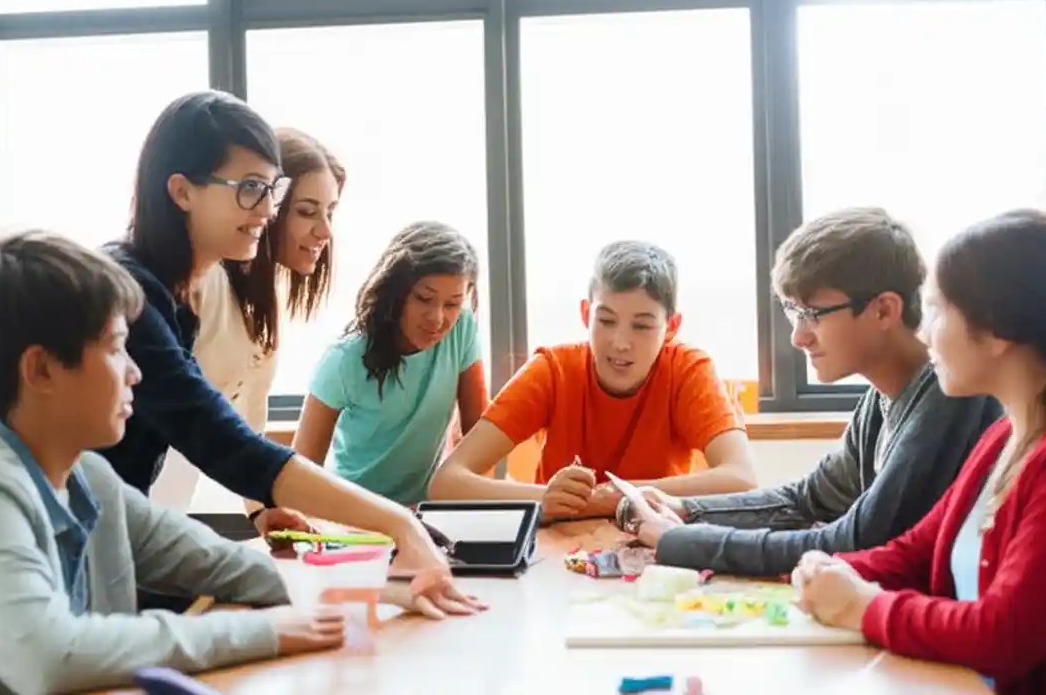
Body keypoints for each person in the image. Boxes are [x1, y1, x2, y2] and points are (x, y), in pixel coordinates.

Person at [0, 91, 470, 609]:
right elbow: (221, 440)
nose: (267, 212)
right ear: (182, 191)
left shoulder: (173, 296)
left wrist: (359, 574)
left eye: (271, 191)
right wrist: (396, 523)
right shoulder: (128, 293)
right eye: (251, 190)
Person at [0, 229, 473, 695]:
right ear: (39, 372)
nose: (136, 371)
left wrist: (387, 590)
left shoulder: (88, 479)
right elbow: (50, 655)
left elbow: (217, 565)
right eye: (116, 350)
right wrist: (266, 631)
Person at [794, 210, 1046, 694]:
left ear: (996, 332)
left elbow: (1005, 633)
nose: (924, 333)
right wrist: (833, 568)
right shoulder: (1006, 435)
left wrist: (861, 606)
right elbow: (916, 552)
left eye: (935, 311)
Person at [628, 208, 1000, 576]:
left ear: (885, 311)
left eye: (814, 314)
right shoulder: (881, 398)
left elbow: (856, 541)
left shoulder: (946, 395)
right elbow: (808, 500)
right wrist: (685, 509)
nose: (798, 336)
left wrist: (682, 540)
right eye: (794, 313)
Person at [428, 240, 757, 521]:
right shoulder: (552, 370)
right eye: (606, 321)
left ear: (671, 327)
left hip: (651, 539)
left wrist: (614, 494)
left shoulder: (689, 369)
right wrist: (544, 498)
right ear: (586, 315)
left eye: (641, 326)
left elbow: (742, 478)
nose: (620, 342)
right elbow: (446, 483)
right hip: (556, 551)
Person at [185, 127, 342, 531]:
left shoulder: (264, 296)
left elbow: (248, 421)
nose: (325, 231)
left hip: (158, 507)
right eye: (307, 211)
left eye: (330, 212)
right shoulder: (207, 282)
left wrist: (261, 509)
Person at [293, 221, 486, 506]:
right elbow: (303, 470)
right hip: (356, 514)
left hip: (427, 511)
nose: (437, 318)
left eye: (453, 303)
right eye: (424, 298)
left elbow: (478, 436)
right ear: (396, 293)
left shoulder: (462, 329)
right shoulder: (344, 359)